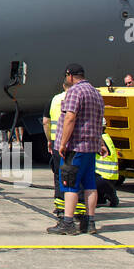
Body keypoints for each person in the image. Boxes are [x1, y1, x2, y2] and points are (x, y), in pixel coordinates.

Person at [48, 63, 104, 235]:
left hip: (75, 147)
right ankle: (90, 222)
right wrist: (100, 142)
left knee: (70, 184)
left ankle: (68, 223)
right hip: (90, 147)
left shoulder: (74, 92)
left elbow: (70, 118)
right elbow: (96, 121)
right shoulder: (96, 93)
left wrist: (63, 143)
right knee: (90, 185)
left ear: (70, 76)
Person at [44, 91, 87, 222]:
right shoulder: (80, 98)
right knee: (76, 178)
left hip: (57, 144)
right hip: (75, 144)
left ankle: (61, 208)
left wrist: (49, 140)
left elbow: (46, 122)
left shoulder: (54, 99)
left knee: (59, 176)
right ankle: (79, 210)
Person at [96, 120, 120, 207]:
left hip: (104, 176)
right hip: (110, 175)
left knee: (86, 182)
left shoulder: (100, 140)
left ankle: (111, 194)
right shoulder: (106, 137)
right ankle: (101, 197)